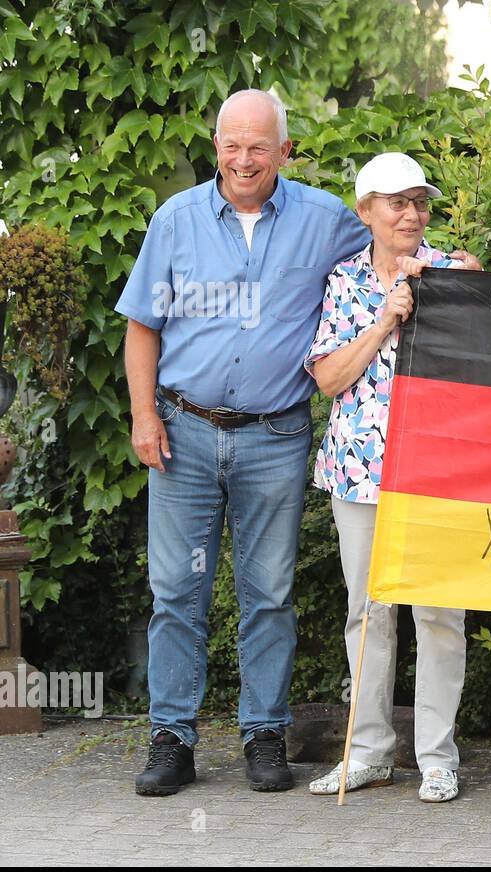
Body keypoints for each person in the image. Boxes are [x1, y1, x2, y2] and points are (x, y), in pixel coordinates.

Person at [119, 89, 372, 796]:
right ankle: (171, 739)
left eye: (258, 145)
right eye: (232, 143)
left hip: (276, 436)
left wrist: (449, 269)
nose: (244, 158)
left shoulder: (325, 221)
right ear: (216, 148)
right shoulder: (175, 221)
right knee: (176, 591)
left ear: (284, 151)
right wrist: (144, 415)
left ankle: (264, 734)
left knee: (268, 593)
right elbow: (141, 326)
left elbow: (387, 256)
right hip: (184, 433)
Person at [303, 152, 483, 803]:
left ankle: (437, 757)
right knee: (369, 613)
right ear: (366, 212)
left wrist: (461, 290)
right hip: (359, 474)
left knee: (440, 614)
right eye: (395, 201)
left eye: (418, 201)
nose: (410, 213)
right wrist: (385, 318)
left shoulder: (455, 273)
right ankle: (370, 751)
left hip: (439, 473)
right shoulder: (345, 282)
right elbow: (328, 378)